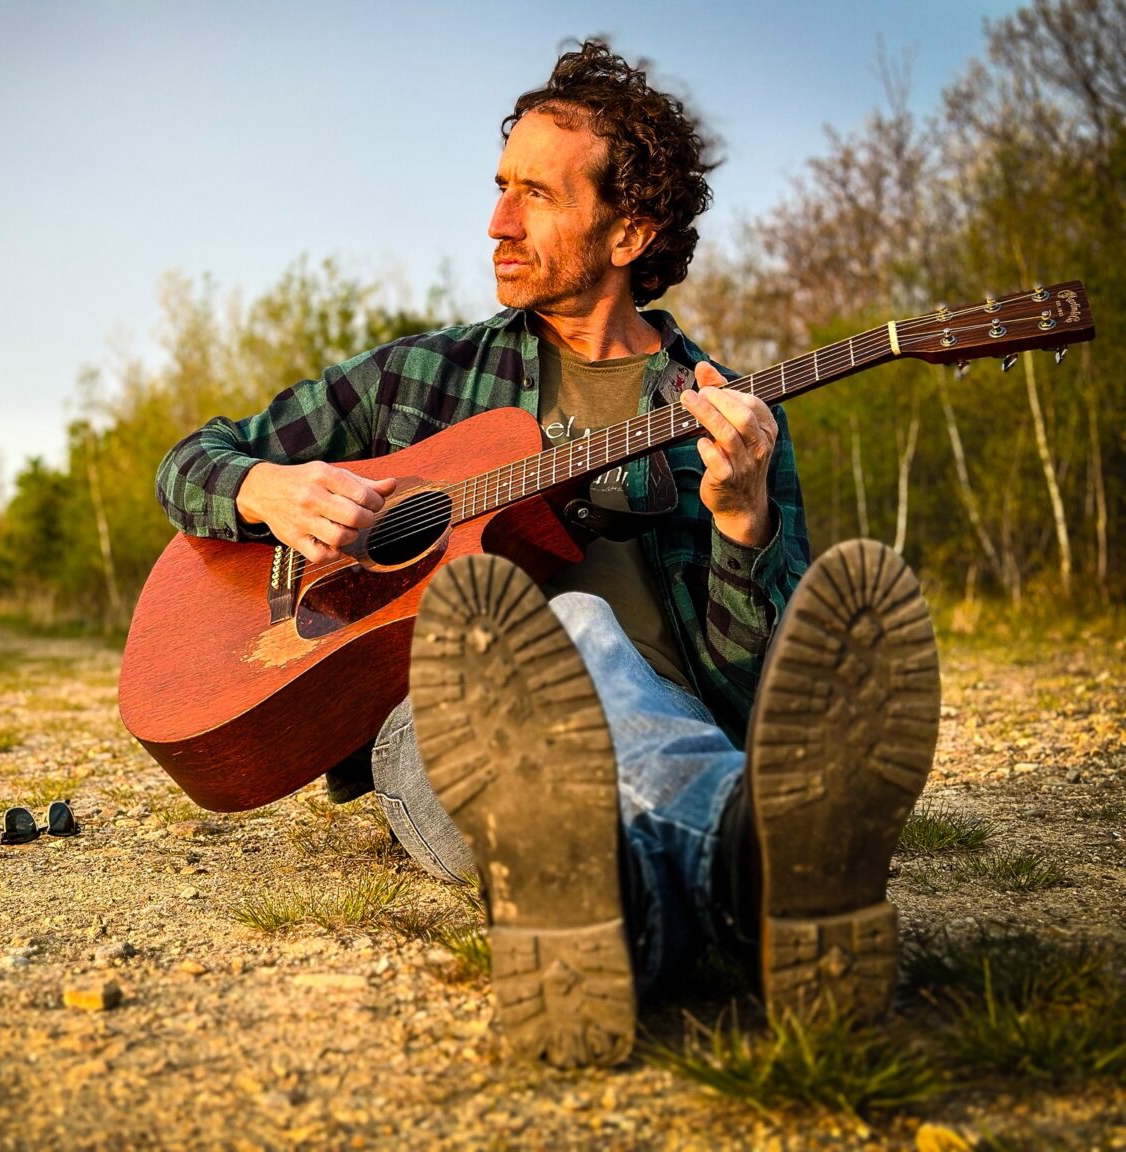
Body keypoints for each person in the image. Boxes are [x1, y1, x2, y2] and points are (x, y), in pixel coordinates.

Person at [154, 41, 940, 1067]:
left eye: (535, 193)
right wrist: (266, 489)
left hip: (661, 727)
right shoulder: (422, 380)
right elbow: (190, 464)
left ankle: (621, 933)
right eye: (498, 187)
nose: (496, 221)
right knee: (559, 634)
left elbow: (752, 698)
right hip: (451, 736)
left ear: (631, 230)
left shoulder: (730, 414)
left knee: (584, 667)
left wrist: (744, 524)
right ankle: (769, 872)